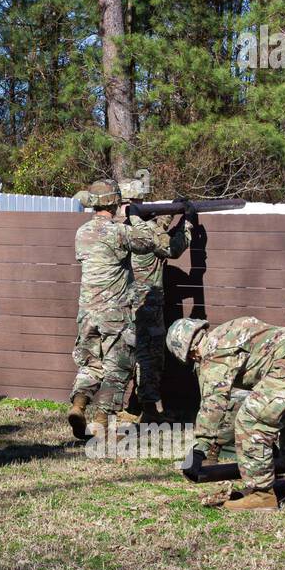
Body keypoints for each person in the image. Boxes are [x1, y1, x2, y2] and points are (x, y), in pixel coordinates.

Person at [170, 316, 285, 511]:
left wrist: (200, 449)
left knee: (250, 421)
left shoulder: (213, 350)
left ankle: (261, 495)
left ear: (190, 352)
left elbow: (214, 402)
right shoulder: (228, 331)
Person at [67, 181, 159, 439]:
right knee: (117, 368)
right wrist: (136, 218)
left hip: (87, 312)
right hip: (114, 314)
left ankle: (79, 405)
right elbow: (148, 242)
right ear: (114, 202)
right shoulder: (117, 231)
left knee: (90, 363)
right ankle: (101, 422)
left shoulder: (82, 232)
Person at [118, 173, 193, 422]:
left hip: (120, 304)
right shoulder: (145, 233)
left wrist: (170, 212)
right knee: (150, 358)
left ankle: (123, 406)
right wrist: (187, 222)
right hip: (146, 307)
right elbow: (172, 247)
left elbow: (157, 229)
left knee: (125, 356)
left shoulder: (115, 230)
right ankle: (147, 408)